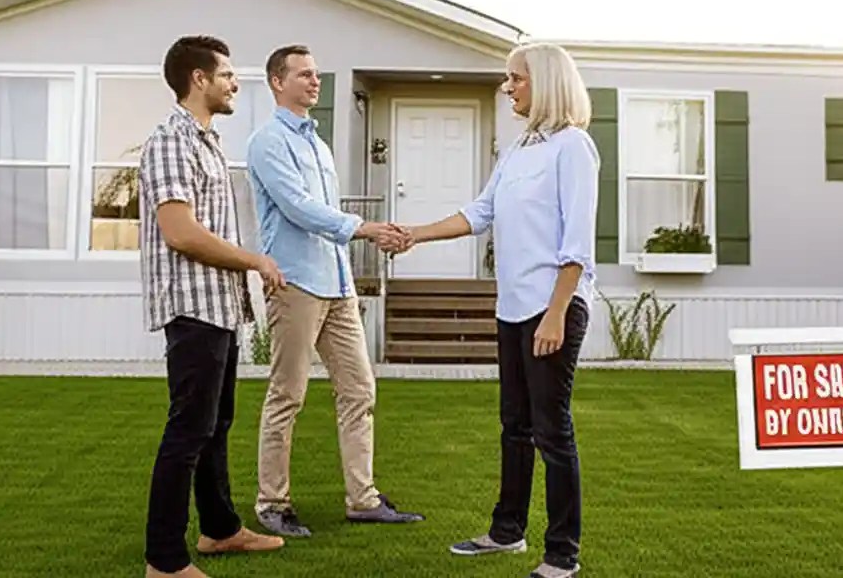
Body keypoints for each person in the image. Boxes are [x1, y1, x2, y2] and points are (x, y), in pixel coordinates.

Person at [395, 42, 599, 578]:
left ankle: (562, 555)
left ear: (547, 83)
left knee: (552, 429)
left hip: (552, 306)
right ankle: (506, 532)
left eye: (518, 78)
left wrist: (557, 312)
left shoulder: (573, 147)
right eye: (508, 78)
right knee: (514, 425)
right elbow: (480, 211)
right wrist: (416, 234)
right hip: (512, 307)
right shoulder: (518, 149)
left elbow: (577, 242)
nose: (508, 87)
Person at [246, 43, 426, 537]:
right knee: (288, 394)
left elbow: (322, 212)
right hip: (296, 283)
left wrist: (352, 250)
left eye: (317, 74)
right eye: (303, 74)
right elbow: (299, 209)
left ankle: (363, 499)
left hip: (337, 284)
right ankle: (272, 503)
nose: (315, 81)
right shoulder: (267, 143)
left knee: (359, 390)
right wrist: (367, 228)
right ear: (277, 82)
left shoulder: (319, 146)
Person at [138, 35, 287, 578]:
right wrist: (255, 261)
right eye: (226, 74)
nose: (234, 82)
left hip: (220, 307)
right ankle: (164, 560)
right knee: (188, 429)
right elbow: (179, 232)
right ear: (198, 79)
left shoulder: (207, 142)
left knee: (215, 423)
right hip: (192, 307)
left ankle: (220, 529)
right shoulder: (172, 141)